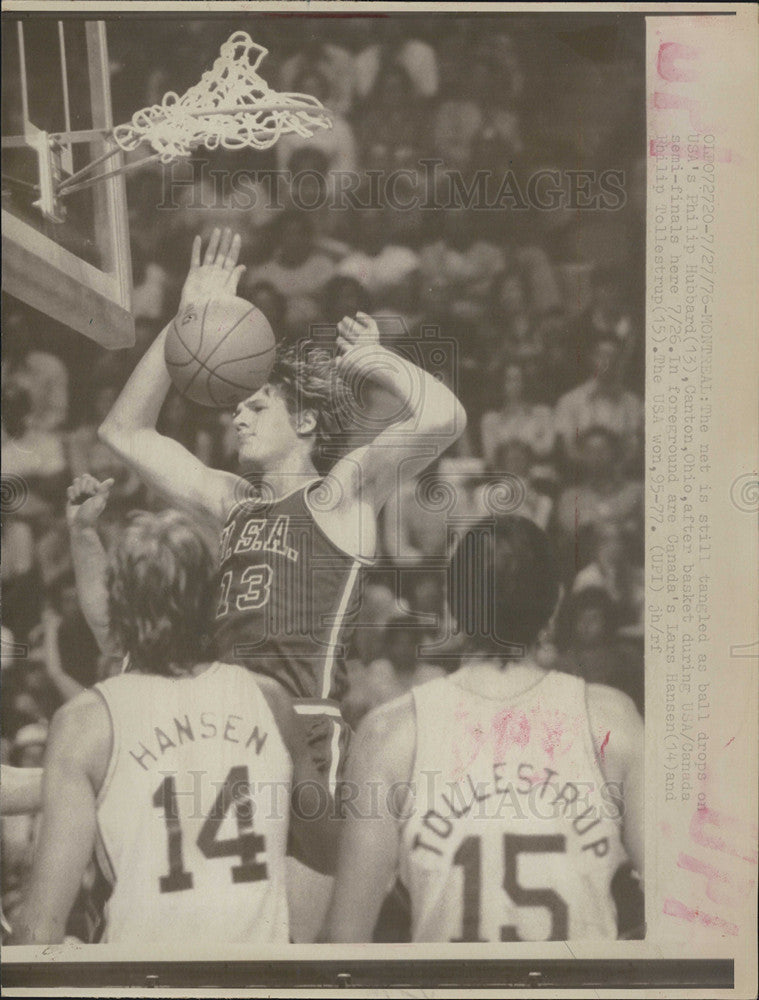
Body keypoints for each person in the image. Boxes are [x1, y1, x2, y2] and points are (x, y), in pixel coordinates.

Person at [96, 227, 465, 936]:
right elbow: (124, 431)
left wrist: (378, 359)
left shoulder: (341, 494)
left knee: (301, 962)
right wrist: (185, 325)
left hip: (309, 735)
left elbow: (445, 416)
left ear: (302, 418)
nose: (236, 412)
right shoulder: (231, 500)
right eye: (236, 405)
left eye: (255, 405)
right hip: (218, 732)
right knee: (212, 949)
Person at [10, 510, 336, 946]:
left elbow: (39, 927)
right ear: (213, 601)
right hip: (257, 978)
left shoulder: (86, 722)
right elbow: (332, 850)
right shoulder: (268, 698)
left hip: (143, 980)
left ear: (118, 603)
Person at [324, 515, 643, 942]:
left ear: (452, 608)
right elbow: (683, 911)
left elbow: (346, 945)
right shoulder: (612, 719)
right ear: (556, 603)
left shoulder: (390, 732)